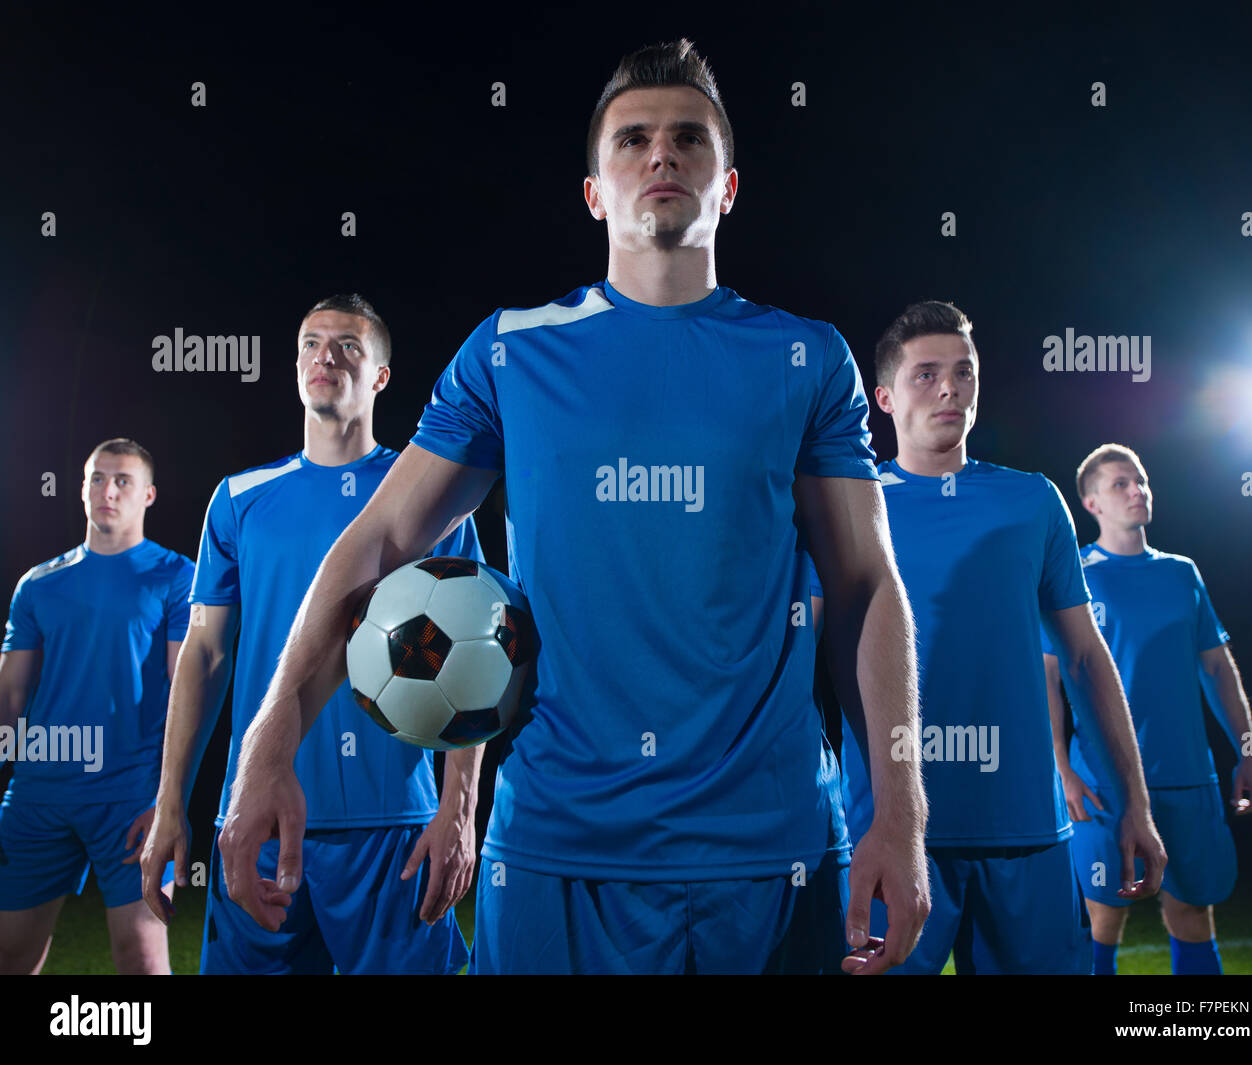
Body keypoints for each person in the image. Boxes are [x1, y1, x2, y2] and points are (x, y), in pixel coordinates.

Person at [217, 40, 930, 976]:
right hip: (556, 850)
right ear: (594, 190)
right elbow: (379, 543)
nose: (661, 156)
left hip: (772, 849)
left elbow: (868, 586)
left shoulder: (806, 358)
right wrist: (269, 741)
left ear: (729, 184)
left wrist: (901, 811)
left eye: (688, 139)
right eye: (632, 140)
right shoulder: (510, 353)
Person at [140, 294, 483, 974]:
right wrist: (169, 802)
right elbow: (204, 656)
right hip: (256, 823)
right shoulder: (240, 498)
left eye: (348, 345)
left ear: (381, 375)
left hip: (393, 827)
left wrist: (459, 806)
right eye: (311, 343)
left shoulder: (427, 494)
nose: (325, 355)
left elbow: (476, 656)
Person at [840, 300, 1167, 974]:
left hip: (1027, 834)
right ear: (884, 395)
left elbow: (1084, 656)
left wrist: (1133, 801)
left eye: (964, 372)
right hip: (892, 833)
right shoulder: (848, 506)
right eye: (926, 374)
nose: (950, 388)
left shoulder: (1032, 500)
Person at [1043, 443, 1252, 975]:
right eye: (1120, 483)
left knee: (1192, 910)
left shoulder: (1181, 573)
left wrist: (1249, 754)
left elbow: (1218, 669)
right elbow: (1048, 678)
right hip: (1104, 782)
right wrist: (1062, 769)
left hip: (1188, 775)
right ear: (1091, 503)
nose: (1136, 490)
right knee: (1103, 917)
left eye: (1140, 480)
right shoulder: (1073, 575)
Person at [0, 439, 192, 974]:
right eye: (97, 479)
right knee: (9, 954)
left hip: (130, 796)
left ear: (148, 494)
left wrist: (170, 798)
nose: (108, 491)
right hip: (38, 792)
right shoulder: (38, 585)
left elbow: (186, 691)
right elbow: (10, 697)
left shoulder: (177, 577)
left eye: (123, 480)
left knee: (142, 957)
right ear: (83, 489)